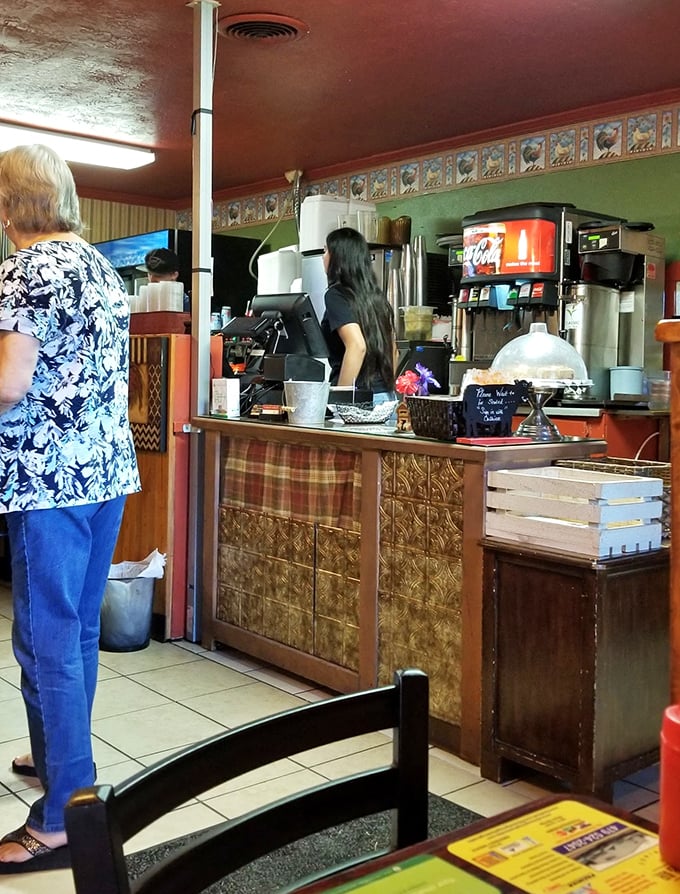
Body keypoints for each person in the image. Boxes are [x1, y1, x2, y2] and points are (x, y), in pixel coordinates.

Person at [0, 144, 140, 872]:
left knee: (44, 640)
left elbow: (10, 384)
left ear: (7, 205)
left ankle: (61, 816)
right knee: (77, 632)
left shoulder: (23, 270)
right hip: (105, 474)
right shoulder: (102, 267)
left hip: (46, 483)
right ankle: (62, 761)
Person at [321, 227, 396, 404]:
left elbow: (357, 346)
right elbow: (393, 349)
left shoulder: (336, 295)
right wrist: (386, 387)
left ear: (338, 257)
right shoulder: (375, 295)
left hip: (359, 402)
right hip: (385, 398)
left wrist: (340, 401)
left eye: (326, 250)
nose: (323, 256)